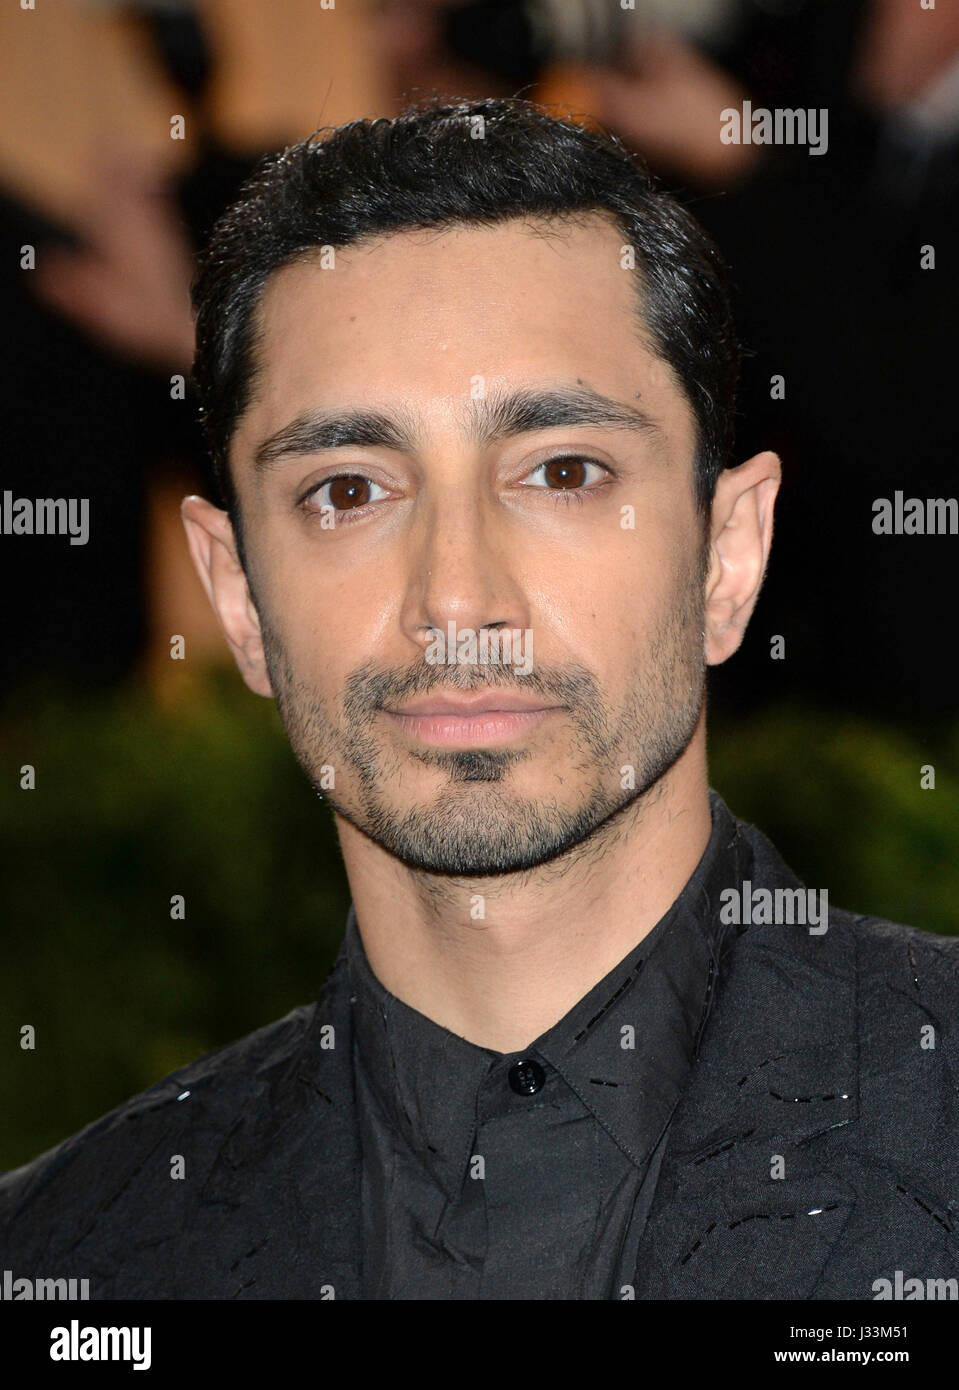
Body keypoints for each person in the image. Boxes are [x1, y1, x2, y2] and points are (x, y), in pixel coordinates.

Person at [2, 98, 956, 1301]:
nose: (454, 595)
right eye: (348, 489)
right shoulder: (65, 1264)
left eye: (561, 471)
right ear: (236, 595)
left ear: (726, 557)